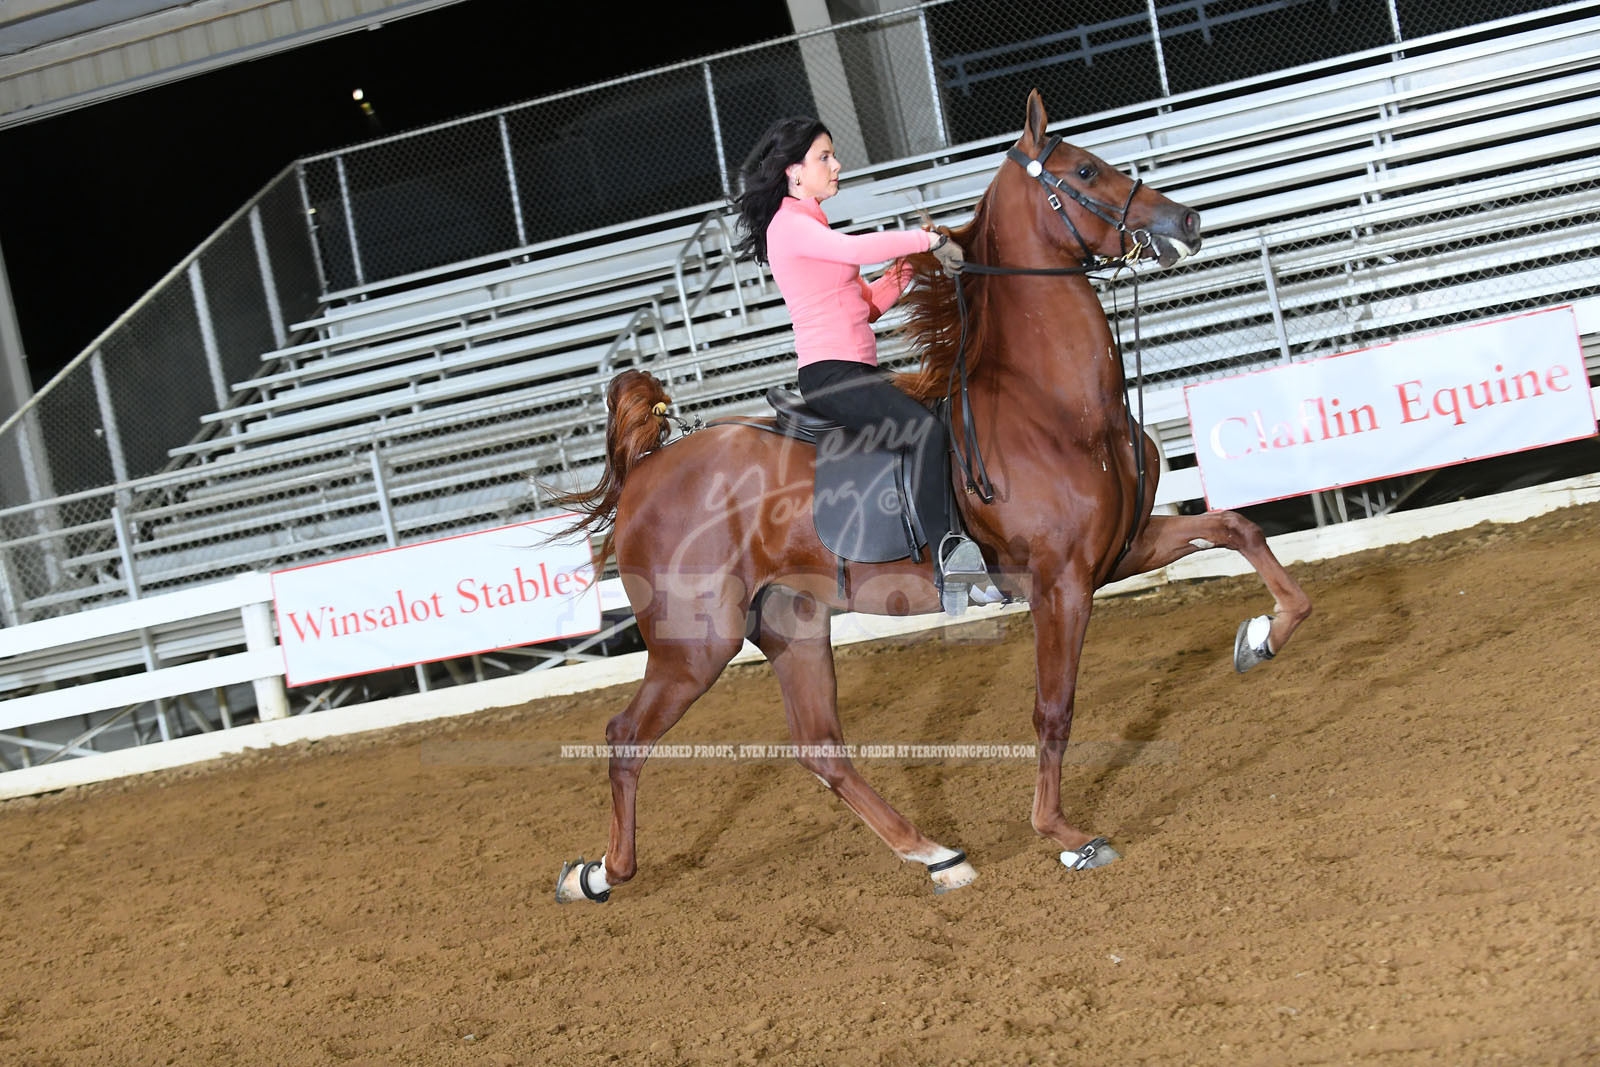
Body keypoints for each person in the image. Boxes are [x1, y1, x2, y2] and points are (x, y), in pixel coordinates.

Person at [733, 116, 989, 614]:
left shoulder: (810, 222)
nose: (836, 165)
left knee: (939, 422)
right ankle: (950, 560)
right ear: (794, 172)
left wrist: (908, 269)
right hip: (831, 376)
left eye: (832, 156)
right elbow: (852, 251)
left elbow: (863, 307)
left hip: (853, 370)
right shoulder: (790, 226)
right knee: (925, 434)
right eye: (824, 157)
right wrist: (923, 241)